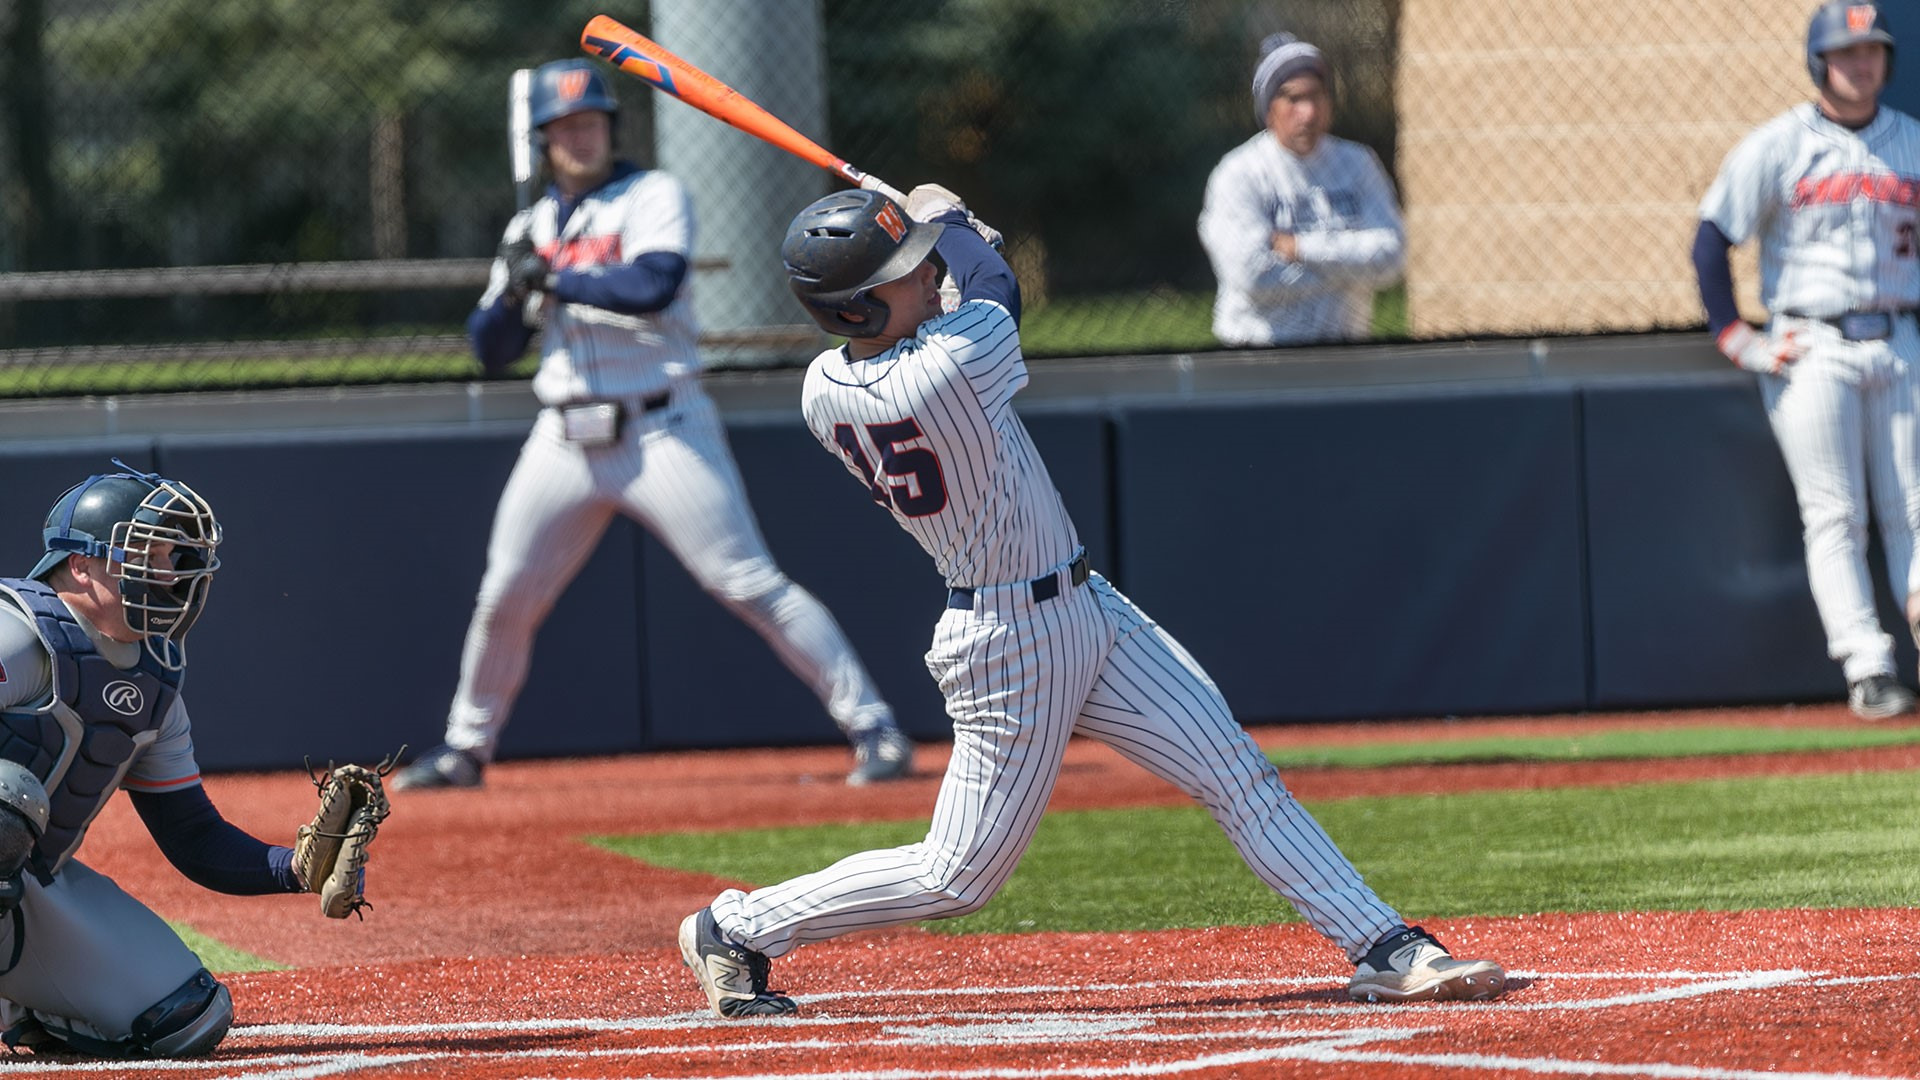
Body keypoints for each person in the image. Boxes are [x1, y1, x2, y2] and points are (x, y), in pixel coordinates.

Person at [671, 185, 1507, 1020]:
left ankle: (1385, 945)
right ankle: (737, 926)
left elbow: (955, 296)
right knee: (955, 877)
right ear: (854, 311)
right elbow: (995, 290)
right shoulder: (938, 372)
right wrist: (954, 224)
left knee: (1237, 775)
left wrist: (932, 239)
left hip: (1083, 605)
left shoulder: (826, 384)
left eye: (920, 261)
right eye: (900, 272)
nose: (923, 275)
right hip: (1006, 641)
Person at [393, 59, 913, 791]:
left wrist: (552, 277)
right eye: (565, 128)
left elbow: (652, 282)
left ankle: (874, 728)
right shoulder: (529, 227)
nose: (580, 137)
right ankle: (466, 748)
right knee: (505, 594)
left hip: (661, 426)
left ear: (610, 127)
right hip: (562, 438)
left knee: (746, 582)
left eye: (591, 122)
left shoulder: (652, 194)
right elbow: (490, 351)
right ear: (543, 141)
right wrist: (512, 290)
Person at [0, 465, 343, 1057]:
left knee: (183, 1018)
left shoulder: (156, 685)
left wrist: (297, 868)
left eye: (170, 559)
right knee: (9, 796)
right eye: (146, 556)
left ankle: (25, 1006)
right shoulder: (18, 631)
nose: (167, 575)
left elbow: (192, 834)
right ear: (79, 564)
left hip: (24, 890)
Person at [1693, 1, 1920, 720]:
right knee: (1837, 515)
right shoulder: (1778, 145)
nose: (1862, 63)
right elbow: (1711, 239)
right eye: (1848, 52)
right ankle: (1868, 667)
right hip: (1811, 342)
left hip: (1899, 336)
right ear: (1820, 61)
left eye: (1873, 51)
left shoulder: (1911, 142)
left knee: (1916, 509)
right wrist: (1739, 338)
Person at [1197, 33, 1406, 347]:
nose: (1307, 112)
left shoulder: (1358, 164)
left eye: (1316, 96)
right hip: (1257, 356)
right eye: (1293, 98)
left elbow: (1391, 257)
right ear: (1269, 109)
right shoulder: (1239, 173)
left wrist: (1300, 249)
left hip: (1345, 353)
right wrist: (1350, 268)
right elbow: (1251, 274)